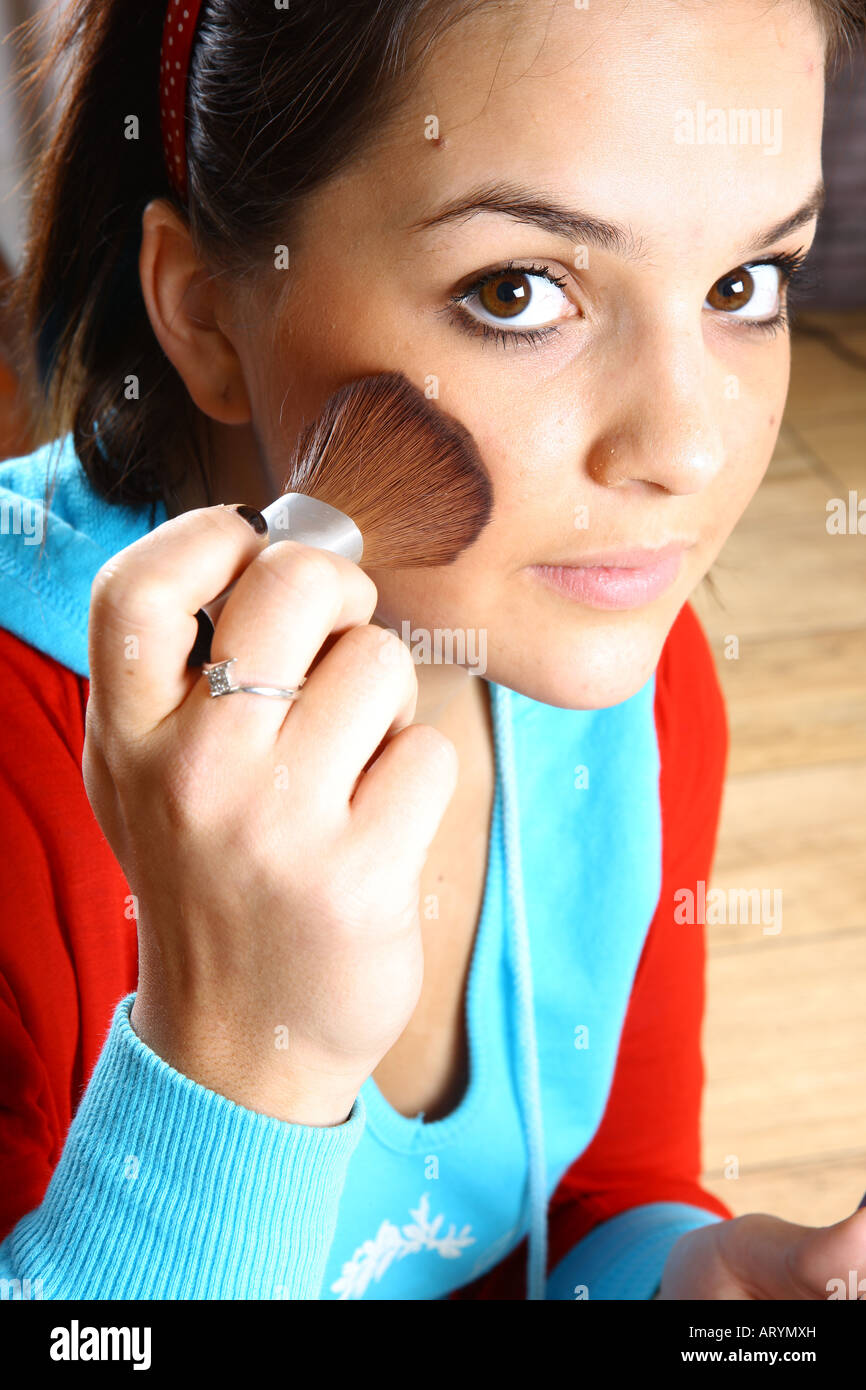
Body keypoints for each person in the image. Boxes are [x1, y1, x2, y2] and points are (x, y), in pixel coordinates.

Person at [1, 0, 864, 1301]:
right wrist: (233, 1070)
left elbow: (593, 1196)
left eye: (743, 285)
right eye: (516, 292)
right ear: (202, 313)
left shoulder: (617, 669)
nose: (687, 450)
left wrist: (697, 1283)